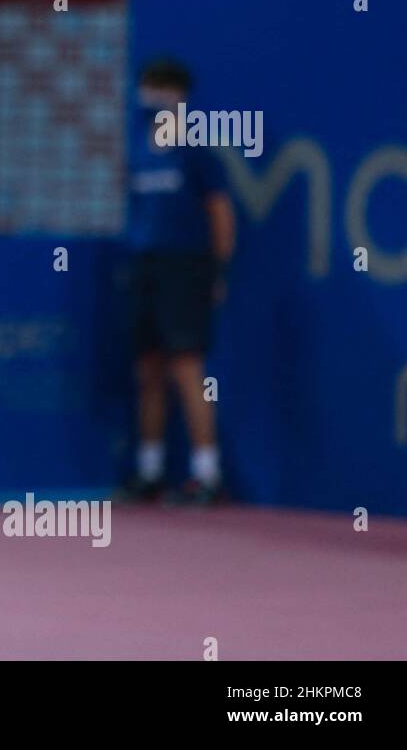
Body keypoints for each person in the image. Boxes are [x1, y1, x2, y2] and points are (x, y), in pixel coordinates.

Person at [120, 59, 236, 505]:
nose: (152, 94)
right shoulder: (137, 146)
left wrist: (218, 271)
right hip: (143, 265)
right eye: (148, 85)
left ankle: (208, 475)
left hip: (186, 267)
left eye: (163, 87)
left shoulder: (195, 146)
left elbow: (221, 212)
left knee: (187, 369)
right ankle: (150, 472)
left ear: (180, 95)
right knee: (148, 369)